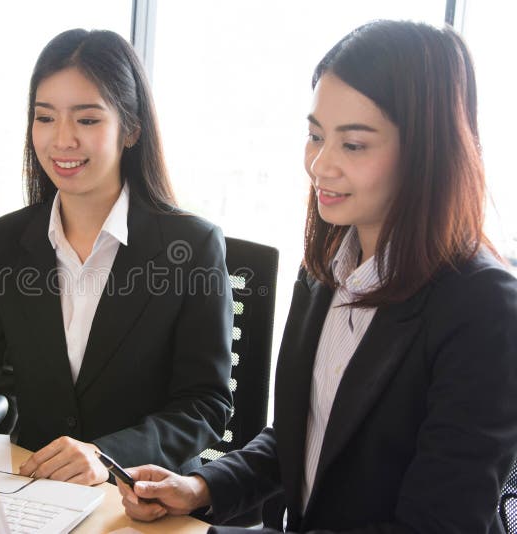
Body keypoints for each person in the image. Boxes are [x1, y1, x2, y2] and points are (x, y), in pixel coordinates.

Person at [117, 20, 517, 533]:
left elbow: (437, 524)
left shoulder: (483, 306)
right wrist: (202, 487)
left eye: (353, 145)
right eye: (315, 135)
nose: (320, 164)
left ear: (425, 152)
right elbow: (303, 438)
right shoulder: (327, 264)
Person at [0, 29, 233, 486]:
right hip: (32, 488)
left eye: (87, 120)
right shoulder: (4, 241)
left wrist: (105, 456)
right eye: (45, 118)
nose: (61, 140)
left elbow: (205, 404)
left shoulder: (190, 247)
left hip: (139, 495)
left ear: (130, 129)